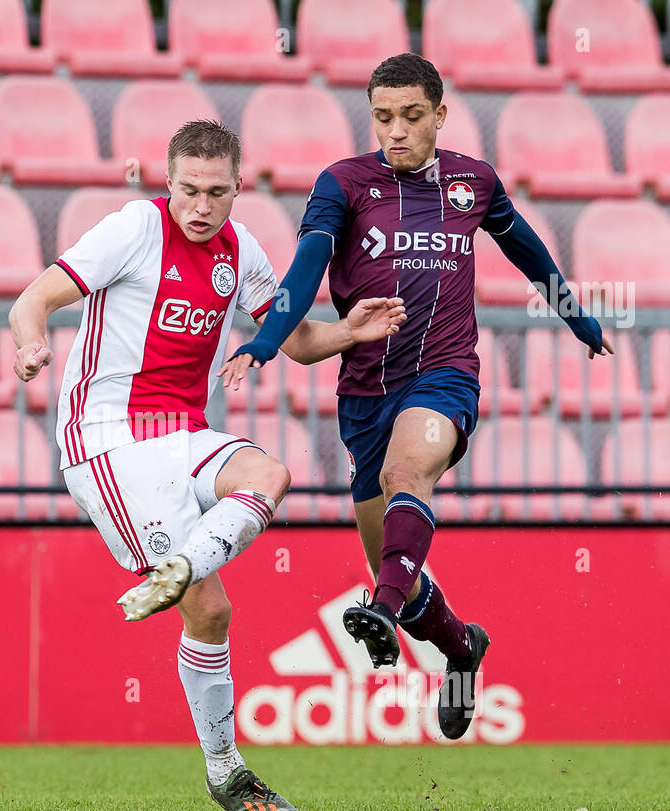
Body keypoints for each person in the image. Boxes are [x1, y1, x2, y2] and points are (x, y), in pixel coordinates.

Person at [9, 120, 405, 811]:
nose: (200, 206)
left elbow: (298, 339)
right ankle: (225, 767)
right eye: (188, 190)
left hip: (184, 433)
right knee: (213, 608)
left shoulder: (240, 248)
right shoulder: (134, 228)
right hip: (107, 439)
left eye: (216, 192)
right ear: (167, 183)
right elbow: (32, 299)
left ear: (235, 189)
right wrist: (31, 346)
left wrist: (350, 330)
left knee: (270, 479)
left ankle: (185, 585)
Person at [221, 53, 612, 741]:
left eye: (409, 116)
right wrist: (265, 338)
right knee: (394, 572)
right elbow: (306, 268)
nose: (394, 131)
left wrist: (575, 314)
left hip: (445, 376)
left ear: (439, 114)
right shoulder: (343, 184)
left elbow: (528, 252)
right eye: (381, 117)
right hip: (365, 393)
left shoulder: (474, 183)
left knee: (409, 476)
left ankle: (382, 608)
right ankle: (461, 649)